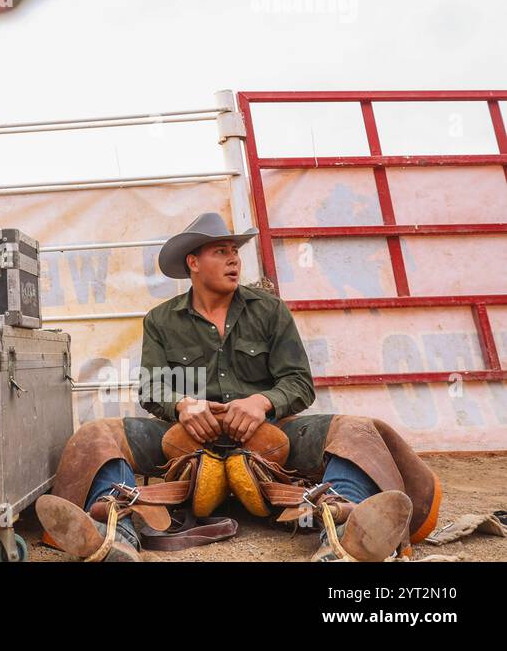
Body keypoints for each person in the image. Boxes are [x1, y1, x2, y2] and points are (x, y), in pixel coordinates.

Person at [36, 212, 441, 562]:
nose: (233, 260)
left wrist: (264, 402)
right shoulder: (161, 319)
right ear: (193, 262)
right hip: (188, 438)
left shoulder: (269, 309)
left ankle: (344, 527)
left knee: (355, 430)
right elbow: (154, 387)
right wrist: (181, 406)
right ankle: (113, 530)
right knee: (97, 434)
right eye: (221, 252)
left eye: (235, 252)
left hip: (269, 435)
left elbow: (298, 382)